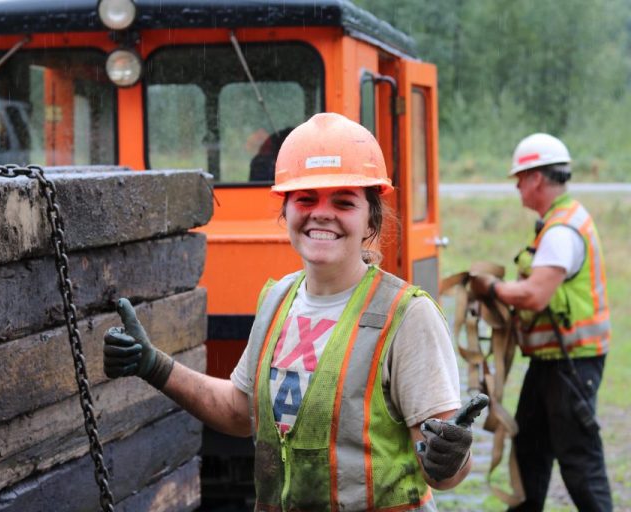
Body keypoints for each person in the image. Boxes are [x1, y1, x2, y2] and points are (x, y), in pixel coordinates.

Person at [105, 112, 486, 511]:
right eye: (306, 199)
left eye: (344, 201)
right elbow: (240, 411)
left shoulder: (406, 316)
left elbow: (443, 474)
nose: (322, 213)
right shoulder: (278, 298)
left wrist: (451, 457)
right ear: (285, 211)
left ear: (370, 218)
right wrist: (153, 365)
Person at [471, 133, 613, 511]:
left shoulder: (562, 232)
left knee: (579, 463)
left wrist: (494, 288)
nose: (517, 185)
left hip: (569, 363)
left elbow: (535, 295)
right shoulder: (562, 221)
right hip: (552, 363)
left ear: (536, 178)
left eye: (519, 177)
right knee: (529, 449)